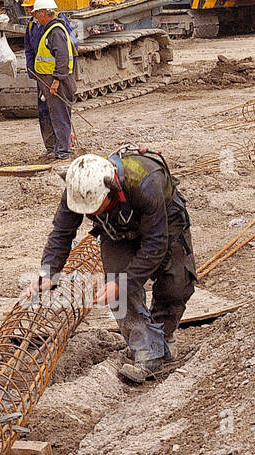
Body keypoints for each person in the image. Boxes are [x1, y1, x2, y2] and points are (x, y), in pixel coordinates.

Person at [40, 148, 196, 385]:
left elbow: (155, 243)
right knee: (118, 288)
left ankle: (163, 334)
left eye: (95, 207)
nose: (90, 213)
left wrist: (126, 281)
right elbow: (62, 232)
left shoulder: (146, 183)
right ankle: (147, 351)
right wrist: (48, 272)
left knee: (175, 284)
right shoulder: (78, 188)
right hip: (117, 230)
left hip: (165, 221)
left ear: (110, 190)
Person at [25, 0, 77, 160]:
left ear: (44, 13)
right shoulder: (48, 30)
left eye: (37, 13)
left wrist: (56, 81)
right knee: (54, 115)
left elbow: (62, 58)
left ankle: (63, 151)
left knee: (60, 116)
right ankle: (57, 149)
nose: (36, 16)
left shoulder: (55, 32)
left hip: (58, 82)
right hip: (47, 81)